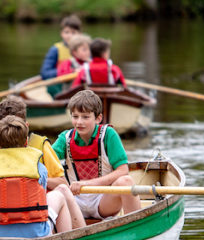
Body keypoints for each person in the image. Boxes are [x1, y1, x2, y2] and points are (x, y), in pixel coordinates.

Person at [0, 96, 85, 230]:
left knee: (62, 191)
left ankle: (79, 236)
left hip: (34, 205)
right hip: (2, 207)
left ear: (26, 126)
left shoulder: (39, 145)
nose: (10, 133)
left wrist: (31, 180)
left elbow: (62, 183)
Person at [51, 89, 141, 220]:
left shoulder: (109, 135)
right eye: (75, 116)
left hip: (104, 201)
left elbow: (123, 171)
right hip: (74, 203)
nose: (79, 122)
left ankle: (134, 229)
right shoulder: (65, 138)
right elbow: (44, 160)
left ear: (98, 118)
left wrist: (87, 184)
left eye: (85, 117)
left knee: (126, 182)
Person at [40, 14, 82, 97]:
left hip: (79, 84)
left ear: (80, 34)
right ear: (61, 33)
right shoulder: (55, 49)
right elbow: (45, 73)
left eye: (73, 32)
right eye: (66, 32)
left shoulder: (85, 49)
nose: (70, 36)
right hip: (60, 85)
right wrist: (68, 71)